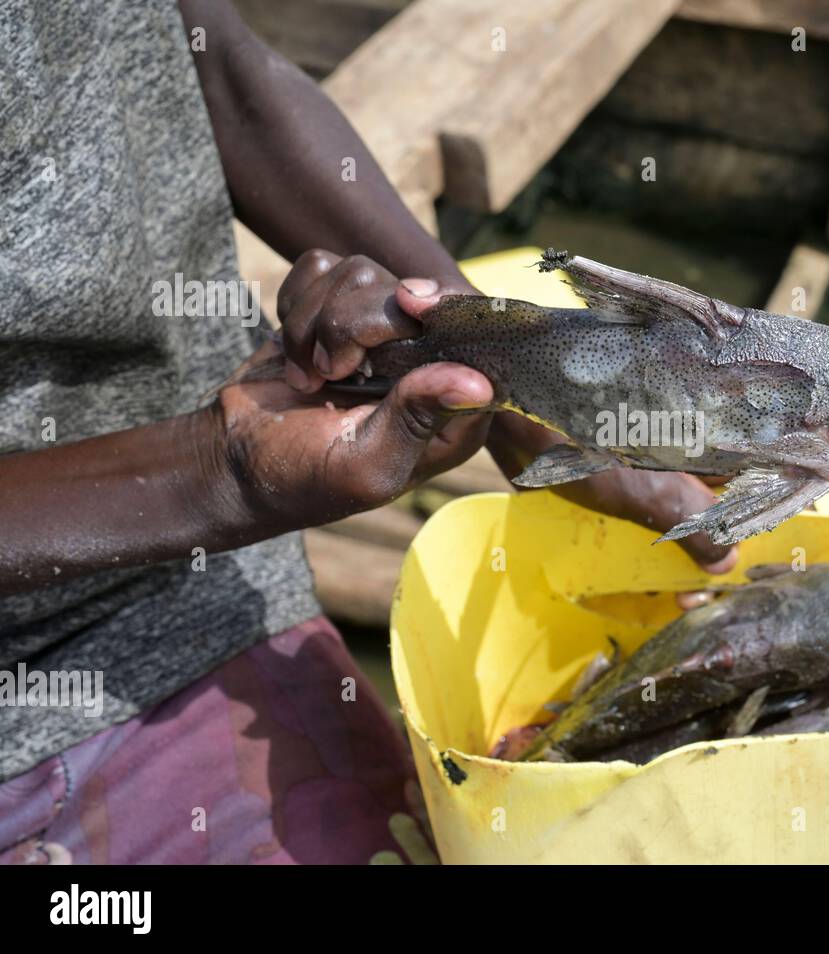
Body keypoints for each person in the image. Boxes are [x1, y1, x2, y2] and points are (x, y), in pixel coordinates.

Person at [0, 0, 735, 864]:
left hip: (202, 585)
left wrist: (507, 368)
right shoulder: (222, 476)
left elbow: (221, 68)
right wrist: (221, 473)